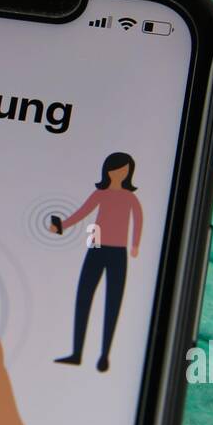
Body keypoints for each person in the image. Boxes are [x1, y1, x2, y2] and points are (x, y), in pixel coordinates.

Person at [50, 152, 142, 372]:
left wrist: (135, 244)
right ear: (107, 170)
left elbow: (138, 219)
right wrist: (61, 225)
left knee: (113, 301)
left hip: (118, 253)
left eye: (124, 170)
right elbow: (82, 212)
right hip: (96, 248)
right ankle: (77, 353)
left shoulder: (130, 198)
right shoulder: (100, 194)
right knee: (84, 296)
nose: (119, 174)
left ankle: (105, 356)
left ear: (129, 173)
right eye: (116, 169)